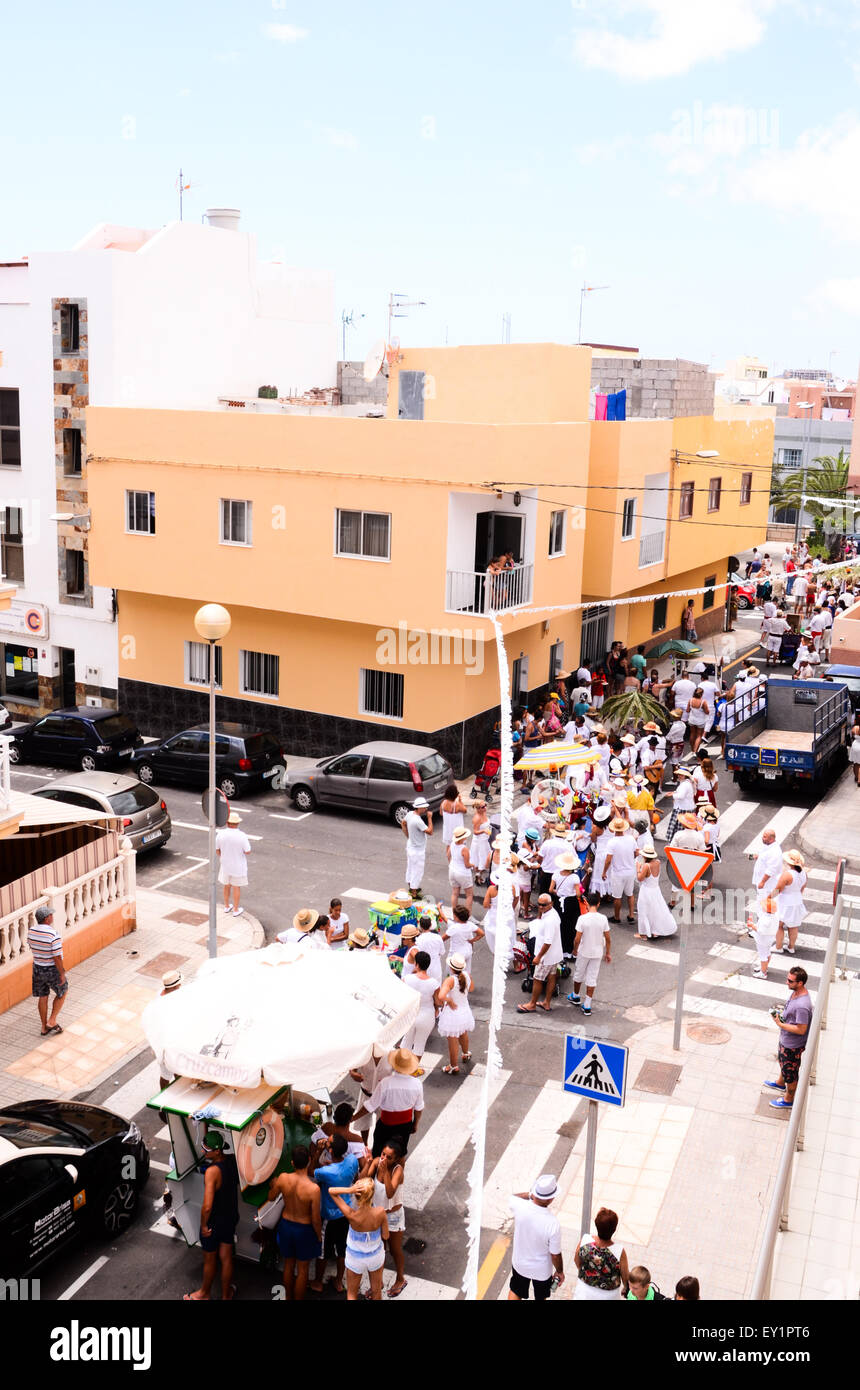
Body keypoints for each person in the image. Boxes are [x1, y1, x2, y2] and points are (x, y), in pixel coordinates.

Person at [184, 1131, 239, 1301]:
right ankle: (226, 1295)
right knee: (226, 1258)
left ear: (217, 1152)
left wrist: (203, 1225)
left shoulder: (212, 1172)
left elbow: (207, 1206)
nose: (203, 1152)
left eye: (206, 1150)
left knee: (210, 1260)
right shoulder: (231, 1161)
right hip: (230, 1217)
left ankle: (204, 1294)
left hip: (214, 1221)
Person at [267, 1144, 323, 1301]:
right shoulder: (313, 1189)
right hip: (304, 1230)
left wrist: (273, 1184)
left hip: (286, 1226)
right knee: (303, 1270)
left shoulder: (283, 1178)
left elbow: (271, 1197)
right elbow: (315, 1218)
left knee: (288, 1265)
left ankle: (288, 1297)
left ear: (292, 1163)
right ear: (309, 1161)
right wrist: (318, 1236)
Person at [308, 1132, 359, 1294]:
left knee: (323, 1250)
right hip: (346, 1211)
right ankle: (338, 1280)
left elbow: (311, 1171)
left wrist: (317, 1152)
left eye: (328, 1143)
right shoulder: (351, 1160)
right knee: (342, 1249)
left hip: (329, 1217)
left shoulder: (327, 1172)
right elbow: (354, 1175)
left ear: (330, 1151)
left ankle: (317, 1282)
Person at [353, 1047, 424, 1157]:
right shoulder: (417, 1084)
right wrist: (415, 1124)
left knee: (378, 1152)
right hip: (405, 1125)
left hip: (386, 1124)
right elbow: (419, 1108)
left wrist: (353, 1118)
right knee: (399, 1153)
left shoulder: (386, 1083)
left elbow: (370, 1106)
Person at [327, 1178, 389, 1301]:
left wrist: (350, 1189)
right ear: (372, 1194)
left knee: (351, 1294)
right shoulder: (380, 1212)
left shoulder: (351, 1215)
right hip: (375, 1256)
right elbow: (386, 1236)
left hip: (355, 1258)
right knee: (376, 1292)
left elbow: (331, 1191)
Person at [507, 1174, 564, 1301]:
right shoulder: (553, 1224)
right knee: (541, 1297)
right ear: (551, 1199)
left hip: (520, 1264)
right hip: (541, 1271)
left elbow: (512, 1197)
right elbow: (555, 1255)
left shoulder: (520, 1207)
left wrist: (530, 1195)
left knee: (516, 1290)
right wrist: (559, 1271)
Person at [764, 966, 813, 1109]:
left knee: (790, 1072)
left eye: (790, 981)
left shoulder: (802, 1005)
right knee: (784, 1065)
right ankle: (780, 1083)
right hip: (786, 1040)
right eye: (787, 979)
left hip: (793, 1044)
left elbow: (801, 1029)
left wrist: (780, 1024)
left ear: (800, 983)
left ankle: (788, 1099)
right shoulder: (795, 993)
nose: (787, 982)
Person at [368, 1139, 408, 1297]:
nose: (384, 1158)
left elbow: (390, 1193)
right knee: (379, 1250)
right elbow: (363, 1178)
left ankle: (400, 1278)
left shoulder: (398, 1171)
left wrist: (384, 1172)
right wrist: (368, 1163)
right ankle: (378, 1282)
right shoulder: (378, 1162)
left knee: (395, 1250)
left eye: (389, 1157)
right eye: (383, 1154)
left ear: (396, 1159)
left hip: (393, 1216)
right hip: (378, 1213)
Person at [517, 895, 563, 1016]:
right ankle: (546, 1002)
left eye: (543, 905)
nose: (540, 907)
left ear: (551, 903)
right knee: (552, 977)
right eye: (539, 904)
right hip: (554, 954)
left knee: (537, 979)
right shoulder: (552, 914)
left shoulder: (549, 920)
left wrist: (538, 957)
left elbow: (547, 942)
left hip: (545, 956)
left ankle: (532, 1004)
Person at [567, 891, 611, 1014]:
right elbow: (608, 938)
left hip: (584, 951)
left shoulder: (582, 919)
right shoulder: (603, 919)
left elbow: (577, 938)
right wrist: (608, 953)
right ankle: (587, 1004)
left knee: (579, 973)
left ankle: (575, 995)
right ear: (598, 903)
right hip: (597, 952)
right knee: (592, 977)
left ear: (587, 903)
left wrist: (575, 949)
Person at [28, 903, 68, 1036]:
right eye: (51, 915)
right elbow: (57, 957)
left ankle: (43, 1027)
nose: (52, 916)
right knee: (63, 991)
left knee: (43, 996)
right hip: (51, 969)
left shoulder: (31, 931)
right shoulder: (53, 934)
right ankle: (52, 1020)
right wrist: (61, 973)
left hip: (37, 968)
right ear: (46, 918)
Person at [573, 1207, 629, 1300]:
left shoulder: (585, 1240)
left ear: (596, 1225)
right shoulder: (619, 1251)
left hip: (583, 1293)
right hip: (609, 1296)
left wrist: (588, 1273)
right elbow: (625, 1278)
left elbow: (577, 1260)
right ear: (614, 1229)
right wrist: (626, 1288)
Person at [437, 952, 476, 1071]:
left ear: (451, 967)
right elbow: (472, 988)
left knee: (452, 1040)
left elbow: (441, 996)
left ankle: (453, 1066)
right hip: (464, 1011)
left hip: (452, 1013)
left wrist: (449, 1001)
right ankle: (465, 1053)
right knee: (463, 1033)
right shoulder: (467, 975)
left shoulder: (450, 980)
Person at [400, 950, 437, 1066]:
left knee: (406, 1041)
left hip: (410, 1014)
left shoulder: (407, 979)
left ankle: (401, 1066)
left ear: (416, 964)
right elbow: (438, 1001)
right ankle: (412, 1069)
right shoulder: (434, 983)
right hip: (426, 1014)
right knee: (420, 1043)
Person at [634, 847, 677, 939]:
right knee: (655, 910)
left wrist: (638, 869)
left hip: (646, 891)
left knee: (644, 911)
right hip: (655, 890)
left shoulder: (646, 866)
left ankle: (643, 933)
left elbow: (640, 878)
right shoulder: (657, 862)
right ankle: (655, 930)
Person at [215, 810, 251, 917]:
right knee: (236, 887)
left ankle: (226, 906)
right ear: (237, 823)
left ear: (227, 823)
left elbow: (217, 850)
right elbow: (248, 851)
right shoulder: (242, 836)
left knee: (226, 885)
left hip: (225, 865)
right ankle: (235, 909)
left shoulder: (220, 834)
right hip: (238, 866)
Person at [604, 816, 637, 925]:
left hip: (618, 872)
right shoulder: (631, 838)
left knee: (617, 896)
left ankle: (617, 917)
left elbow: (608, 860)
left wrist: (604, 872)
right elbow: (636, 852)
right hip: (630, 870)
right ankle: (631, 915)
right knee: (630, 894)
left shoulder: (612, 842)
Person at [774, 850, 808, 956]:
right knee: (793, 926)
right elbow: (802, 888)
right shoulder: (804, 873)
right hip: (797, 901)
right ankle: (791, 947)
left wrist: (767, 898)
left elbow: (778, 889)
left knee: (778, 925)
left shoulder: (787, 875)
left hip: (784, 902)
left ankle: (778, 947)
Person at [402, 797, 433, 898]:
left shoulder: (410, 814)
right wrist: (429, 818)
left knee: (410, 867)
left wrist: (408, 836)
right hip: (417, 850)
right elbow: (430, 831)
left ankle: (411, 888)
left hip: (410, 846)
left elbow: (403, 823)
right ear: (419, 808)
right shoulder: (417, 821)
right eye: (424, 807)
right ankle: (414, 893)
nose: (426, 809)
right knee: (417, 871)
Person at [752, 828, 784, 903]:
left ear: (771, 839)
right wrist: (754, 857)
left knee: (767, 900)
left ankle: (767, 914)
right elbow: (763, 856)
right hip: (763, 881)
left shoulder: (775, 852)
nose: (762, 838)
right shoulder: (768, 845)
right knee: (762, 899)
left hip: (768, 884)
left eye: (764, 837)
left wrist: (762, 882)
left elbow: (771, 870)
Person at [751, 894, 780, 980]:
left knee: (763, 955)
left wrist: (752, 926)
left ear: (766, 909)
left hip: (762, 940)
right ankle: (764, 967)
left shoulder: (765, 919)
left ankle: (763, 973)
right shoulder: (775, 917)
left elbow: (761, 931)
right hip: (770, 938)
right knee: (767, 953)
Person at [447, 825, 474, 913]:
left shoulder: (452, 844)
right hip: (463, 873)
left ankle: (454, 913)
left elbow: (448, 855)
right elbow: (467, 865)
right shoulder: (464, 849)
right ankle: (468, 916)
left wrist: (452, 864)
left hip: (452, 870)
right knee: (469, 895)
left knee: (455, 893)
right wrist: (473, 865)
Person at [471, 798, 492, 884]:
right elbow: (475, 832)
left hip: (485, 840)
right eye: (483, 807)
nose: (485, 808)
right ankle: (478, 875)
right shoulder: (477, 818)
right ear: (478, 808)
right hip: (479, 842)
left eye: (485, 805)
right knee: (480, 859)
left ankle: (478, 875)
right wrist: (483, 831)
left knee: (484, 859)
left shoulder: (483, 813)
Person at [850, 722, 860, 787]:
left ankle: (856, 777)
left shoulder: (855, 728)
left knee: (855, 763)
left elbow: (852, 735)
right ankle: (859, 780)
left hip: (855, 746)